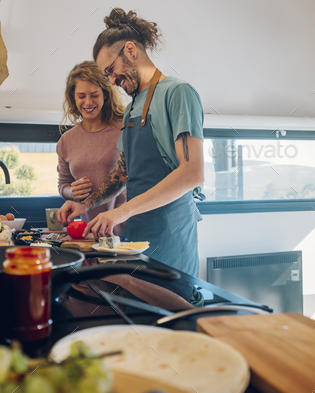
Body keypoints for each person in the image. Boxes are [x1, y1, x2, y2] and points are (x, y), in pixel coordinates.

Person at [56, 8, 205, 277]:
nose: (112, 81)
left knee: (171, 309)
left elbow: (192, 173)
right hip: (137, 231)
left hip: (171, 232)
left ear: (130, 50)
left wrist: (121, 212)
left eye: (111, 70)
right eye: (107, 76)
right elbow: (122, 175)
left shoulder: (177, 92)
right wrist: (85, 205)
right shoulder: (133, 107)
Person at [56, 61, 127, 236]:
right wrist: (71, 191)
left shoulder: (125, 127)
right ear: (73, 96)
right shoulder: (66, 141)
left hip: (128, 229)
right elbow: (62, 185)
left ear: (105, 94)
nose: (88, 102)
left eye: (94, 95)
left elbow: (128, 177)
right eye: (81, 96)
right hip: (90, 232)